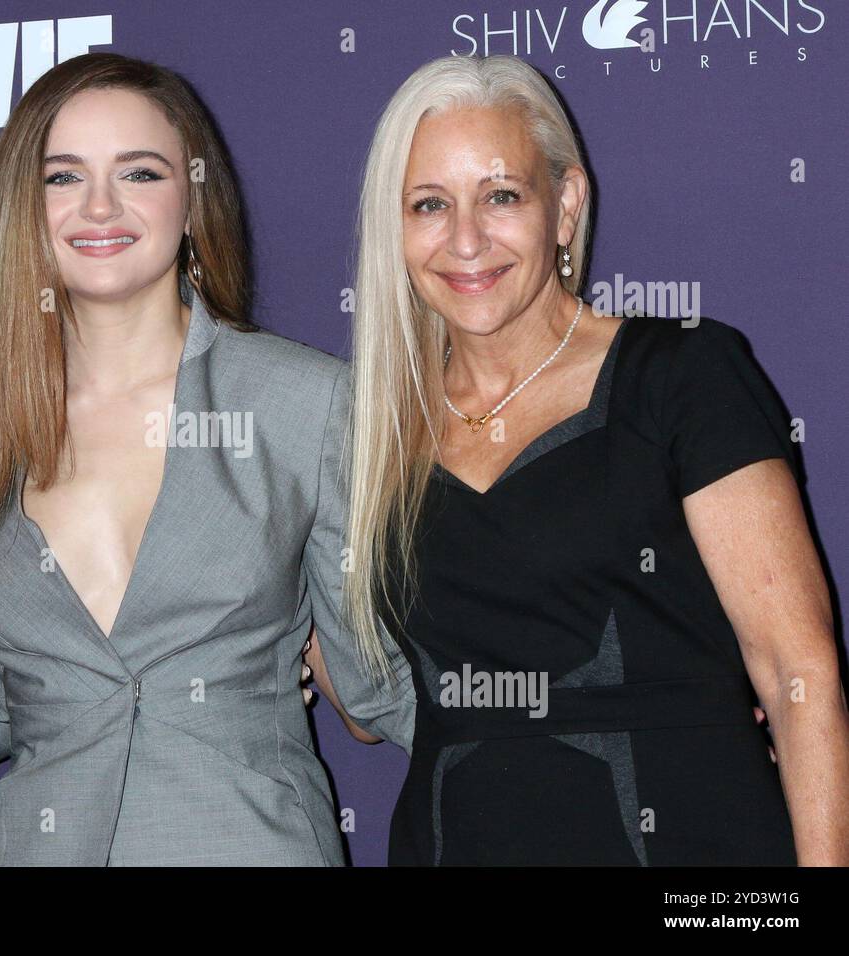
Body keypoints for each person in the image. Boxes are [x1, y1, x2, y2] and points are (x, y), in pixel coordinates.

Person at [321, 53, 849, 865]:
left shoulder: (683, 374)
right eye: (429, 204)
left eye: (502, 195)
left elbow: (795, 674)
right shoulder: (373, 431)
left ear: (564, 206)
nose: (466, 239)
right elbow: (373, 702)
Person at [0, 52, 415, 866]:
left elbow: (376, 686)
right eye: (62, 176)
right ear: (21, 207)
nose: (100, 206)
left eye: (139, 173)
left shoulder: (307, 402)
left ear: (192, 197)